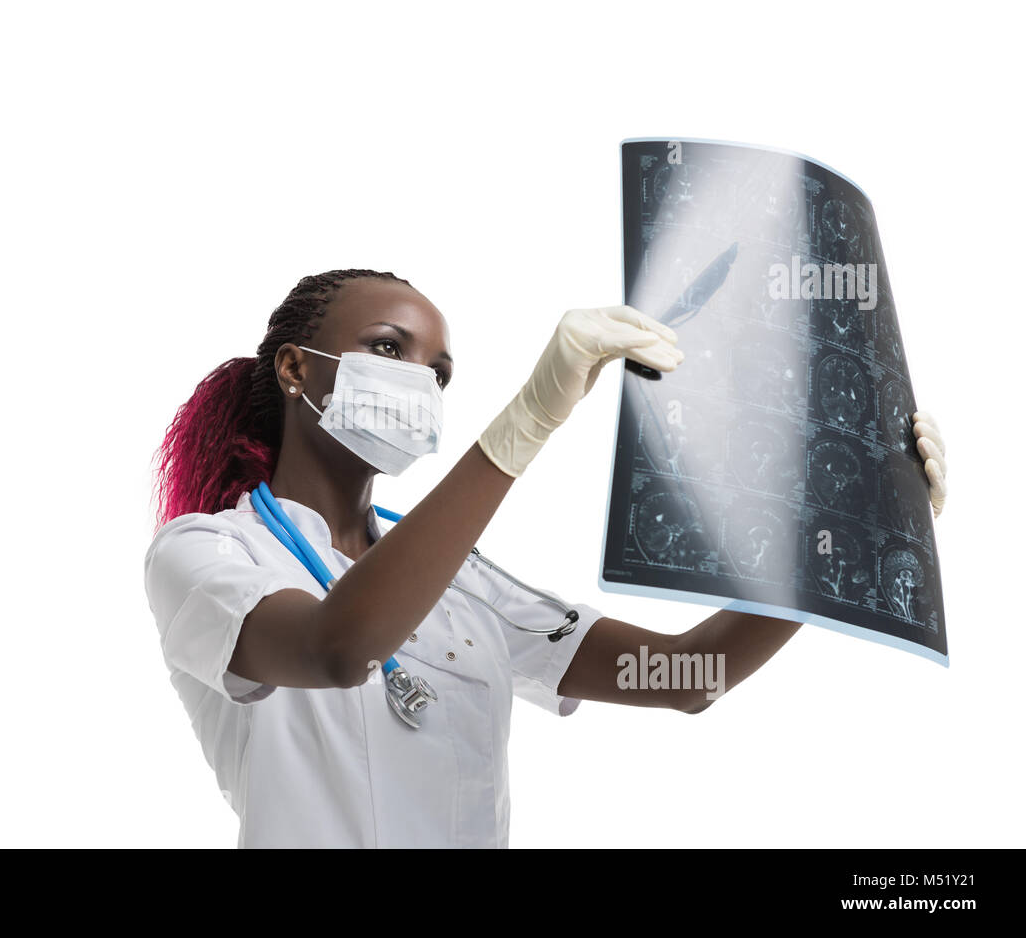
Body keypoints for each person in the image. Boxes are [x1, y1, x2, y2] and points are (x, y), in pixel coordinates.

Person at [143, 268, 948, 848]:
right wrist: (527, 421)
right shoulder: (208, 554)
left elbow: (687, 676)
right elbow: (338, 645)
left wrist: (851, 529)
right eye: (389, 347)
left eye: (439, 372)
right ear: (295, 368)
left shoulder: (463, 582)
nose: (419, 381)